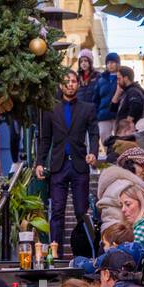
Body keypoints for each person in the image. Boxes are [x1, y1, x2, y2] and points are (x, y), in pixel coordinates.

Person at [35, 70, 100, 254]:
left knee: (81, 211)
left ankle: (85, 252)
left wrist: (93, 153)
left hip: (79, 165)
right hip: (58, 165)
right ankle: (55, 252)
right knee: (57, 211)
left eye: (73, 81)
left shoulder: (87, 108)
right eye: (66, 81)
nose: (70, 84)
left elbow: (94, 133)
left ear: (78, 84)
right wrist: (39, 162)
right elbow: (45, 138)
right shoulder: (50, 109)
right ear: (60, 85)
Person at [93, 52, 122, 142]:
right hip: (103, 115)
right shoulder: (101, 80)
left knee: (120, 139)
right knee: (104, 139)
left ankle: (118, 156)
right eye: (108, 63)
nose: (110, 65)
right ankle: (109, 155)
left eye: (112, 62)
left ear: (118, 63)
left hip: (118, 116)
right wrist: (96, 113)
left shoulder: (122, 77)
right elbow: (96, 99)